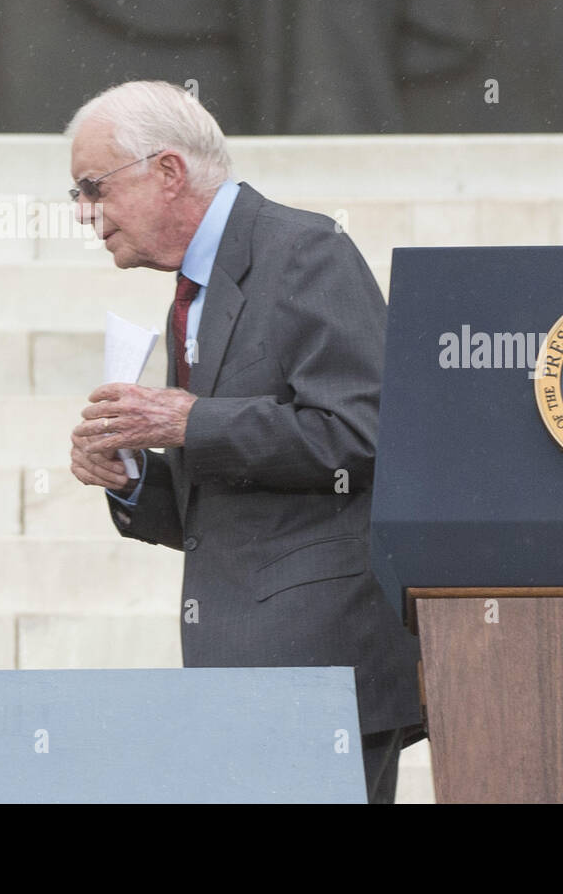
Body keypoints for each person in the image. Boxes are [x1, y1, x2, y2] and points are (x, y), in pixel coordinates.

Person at [66, 80, 422, 803]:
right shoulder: (193, 290)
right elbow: (226, 504)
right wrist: (132, 475)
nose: (83, 212)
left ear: (168, 171)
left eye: (92, 186)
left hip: (318, 665)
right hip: (243, 670)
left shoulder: (305, 251)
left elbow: (365, 433)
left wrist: (186, 421)